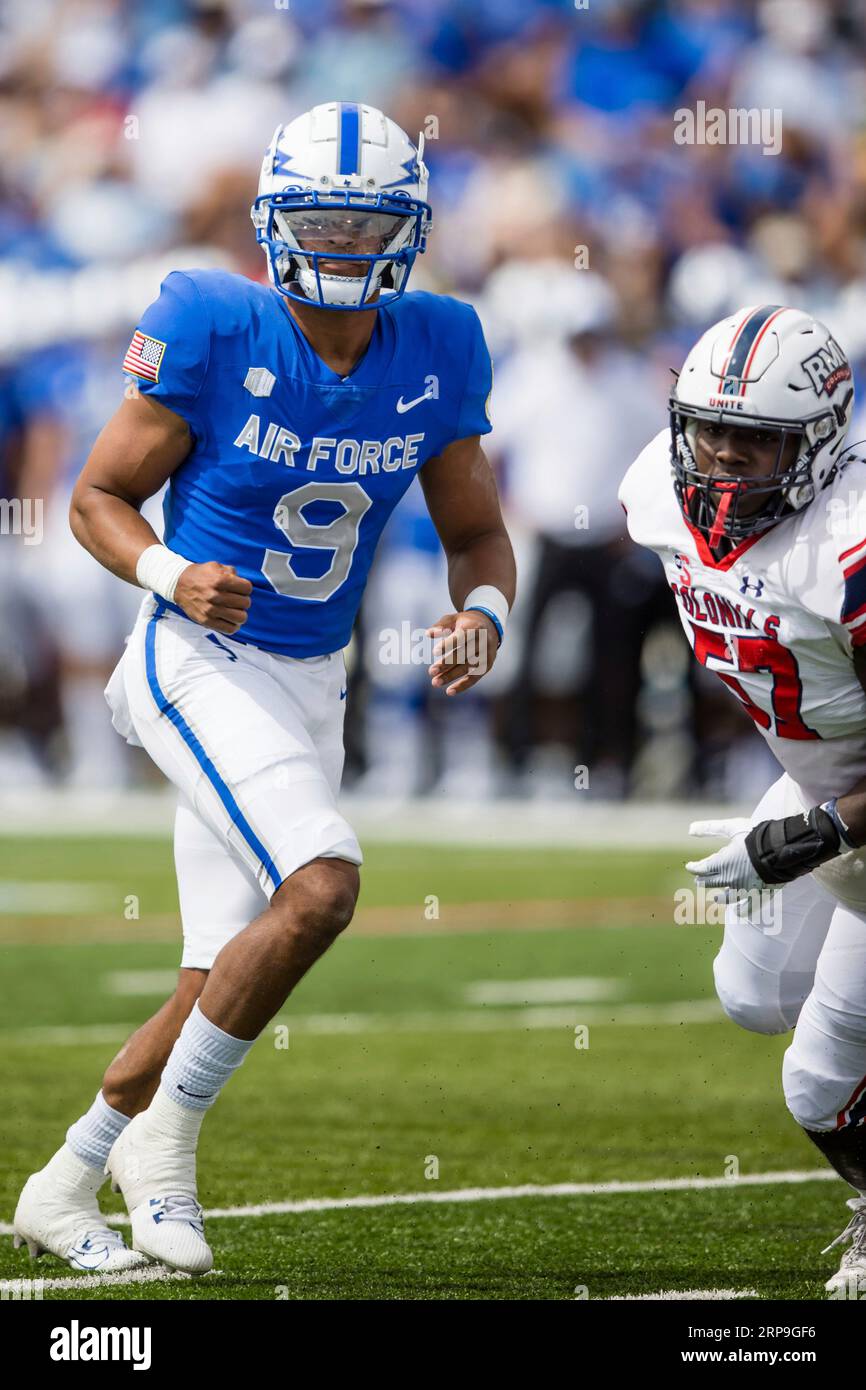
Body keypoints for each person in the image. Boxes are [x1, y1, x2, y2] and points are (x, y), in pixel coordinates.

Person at [13, 102, 515, 1275]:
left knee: (217, 969)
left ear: (408, 228)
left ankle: (64, 1177)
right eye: (320, 221)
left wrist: (481, 615)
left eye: (363, 223)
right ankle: (166, 1146)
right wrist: (173, 571)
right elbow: (94, 497)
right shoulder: (207, 317)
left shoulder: (439, 341)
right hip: (189, 658)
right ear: (274, 221)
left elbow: (479, 532)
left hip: (310, 679)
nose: (340, 246)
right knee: (324, 884)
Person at [619, 303, 866, 1295]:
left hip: (848, 806)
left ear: (815, 443)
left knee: (817, 1081)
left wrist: (817, 832)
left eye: (752, 443)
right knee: (753, 993)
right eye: (708, 431)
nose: (719, 460)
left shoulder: (845, 546)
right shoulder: (652, 488)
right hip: (821, 782)